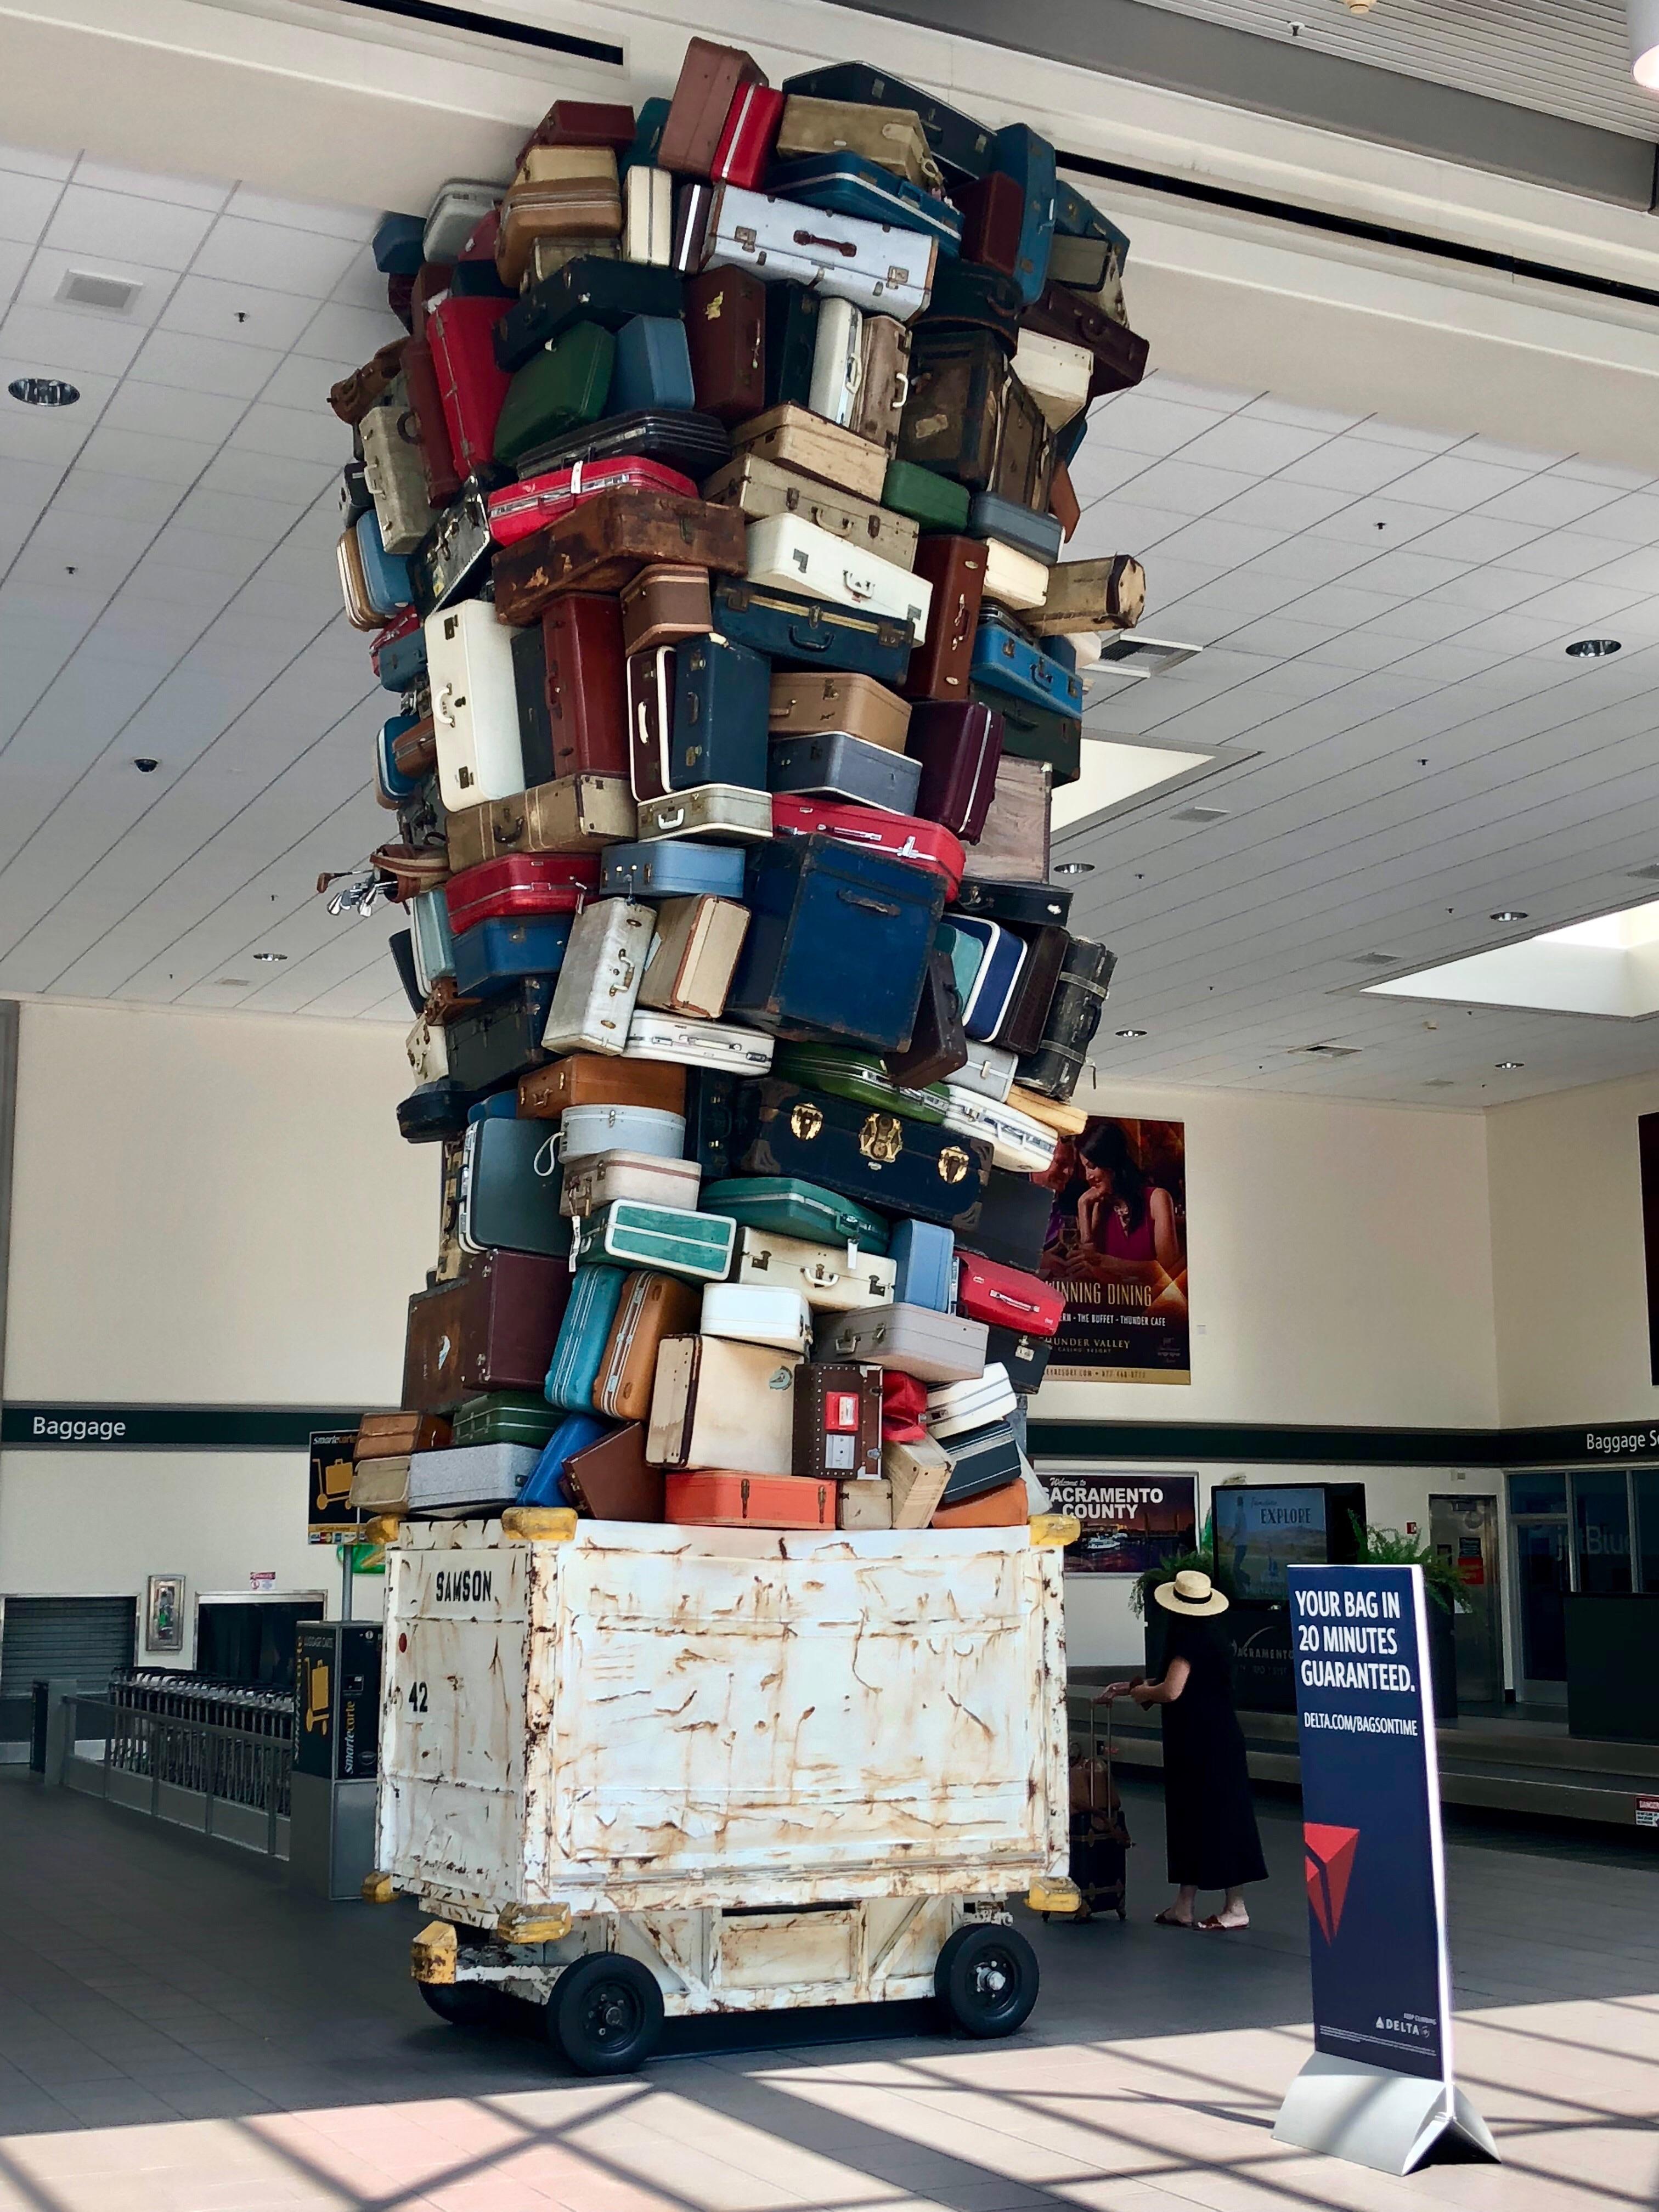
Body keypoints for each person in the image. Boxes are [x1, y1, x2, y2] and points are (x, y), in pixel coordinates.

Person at [1101, 1568, 1266, 1930]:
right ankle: (1185, 1905)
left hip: (1201, 1743)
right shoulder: (1210, 1635)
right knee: (1201, 1816)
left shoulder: (1188, 1638)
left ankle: (1235, 1907)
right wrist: (1130, 1688)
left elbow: (1172, 1690)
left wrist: (1142, 1693)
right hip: (1211, 1740)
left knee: (1209, 1818)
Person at [1073, 1121, 1183, 1274]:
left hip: (1155, 1298)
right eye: (1085, 1168)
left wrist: (1114, 1264)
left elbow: (1170, 1270)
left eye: (1092, 1166)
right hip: (1115, 1297)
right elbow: (1093, 1265)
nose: (1088, 1176)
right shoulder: (1102, 1207)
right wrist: (1082, 1205)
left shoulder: (1157, 1199)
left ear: (1110, 1161)